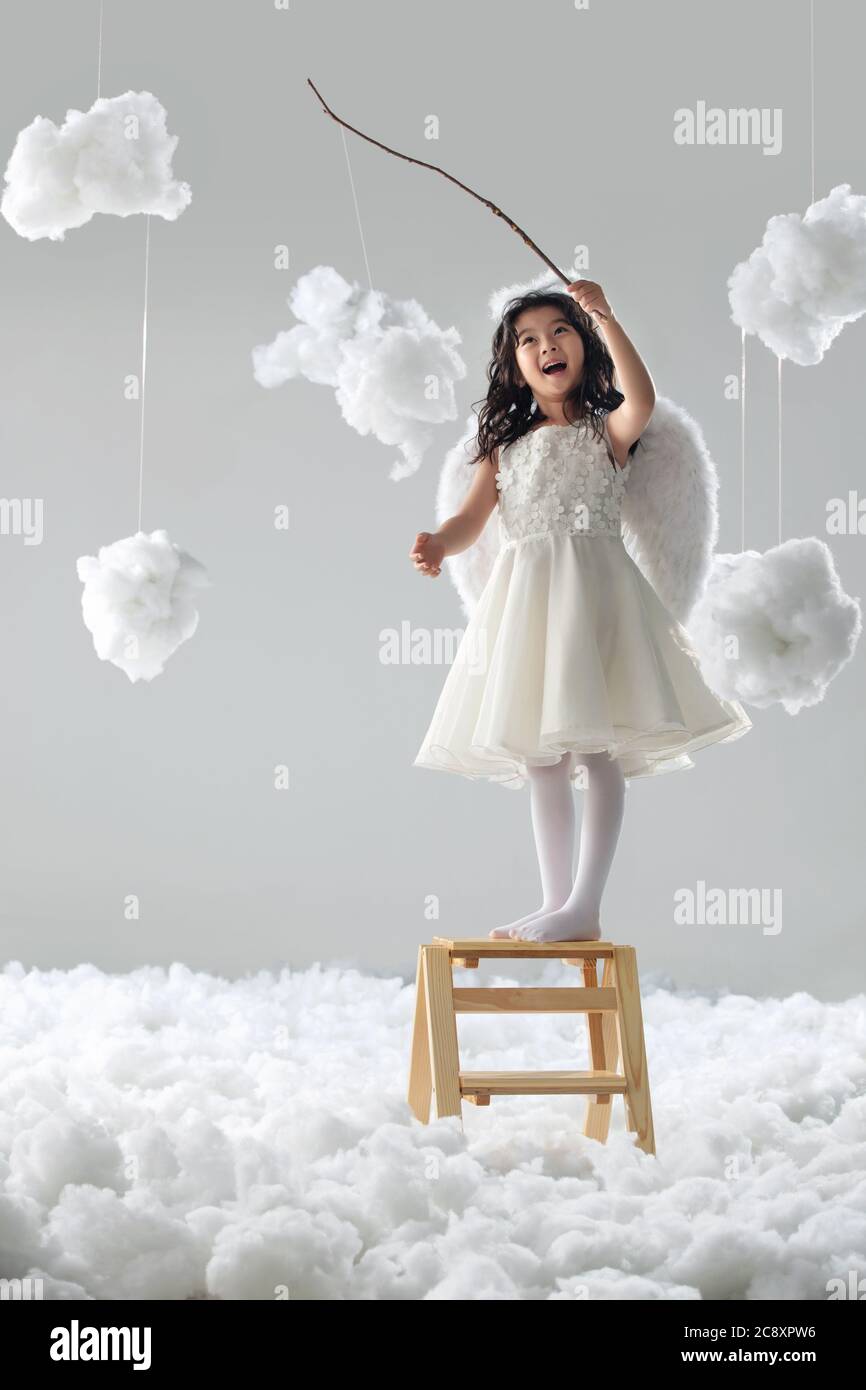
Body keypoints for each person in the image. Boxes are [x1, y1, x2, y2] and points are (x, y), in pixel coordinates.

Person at [409, 282, 752, 942]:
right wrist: (439, 544)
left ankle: (586, 904)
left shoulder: (606, 432)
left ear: (584, 346)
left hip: (596, 600)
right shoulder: (503, 447)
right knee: (542, 759)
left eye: (560, 331)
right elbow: (471, 519)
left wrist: (604, 313)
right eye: (529, 341)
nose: (546, 346)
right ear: (514, 367)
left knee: (597, 753)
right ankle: (556, 901)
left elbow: (642, 399)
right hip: (529, 607)